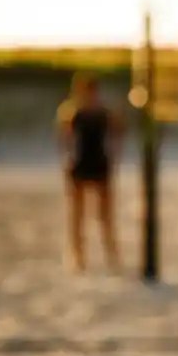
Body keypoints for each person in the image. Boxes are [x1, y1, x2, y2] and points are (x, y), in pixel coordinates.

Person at [56, 72, 123, 272]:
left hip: (99, 164)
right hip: (81, 164)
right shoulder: (72, 112)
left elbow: (117, 133)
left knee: (105, 216)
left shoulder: (104, 113)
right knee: (78, 215)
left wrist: (114, 156)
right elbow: (65, 139)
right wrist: (67, 160)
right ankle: (78, 257)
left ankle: (111, 256)